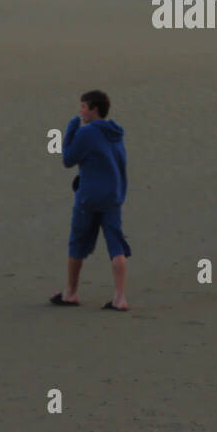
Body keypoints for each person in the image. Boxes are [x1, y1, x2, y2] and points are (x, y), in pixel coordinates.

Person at [51, 89, 130, 310]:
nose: (81, 111)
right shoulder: (116, 133)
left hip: (90, 197)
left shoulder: (88, 133)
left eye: (84, 107)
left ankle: (71, 292)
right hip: (113, 196)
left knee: (77, 243)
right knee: (116, 245)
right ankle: (120, 297)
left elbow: (68, 159)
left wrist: (70, 130)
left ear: (94, 109)